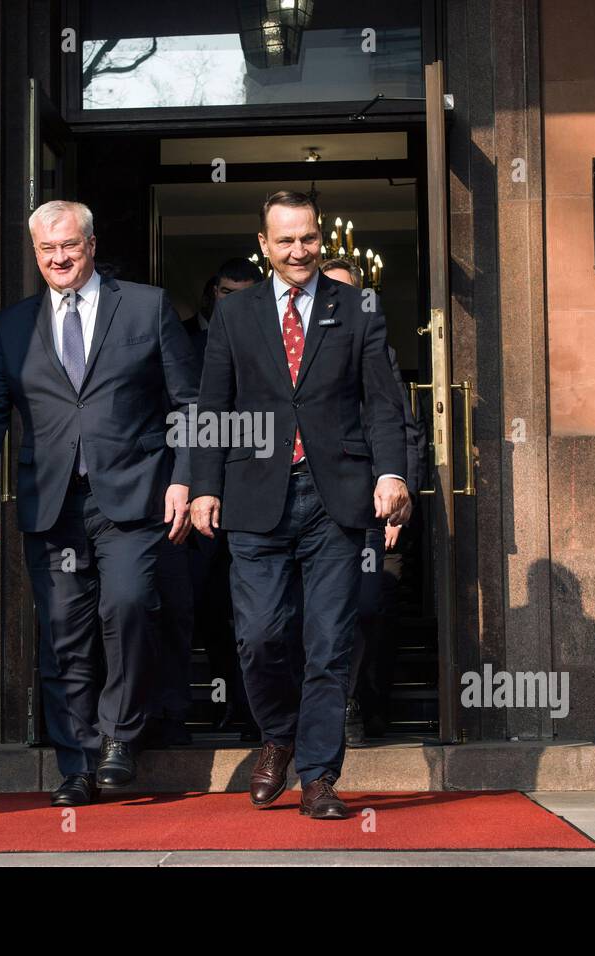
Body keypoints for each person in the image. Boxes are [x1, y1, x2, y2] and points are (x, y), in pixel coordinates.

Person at [0, 199, 198, 807]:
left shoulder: (145, 306)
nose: (59, 258)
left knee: (130, 605)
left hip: (135, 496)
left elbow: (188, 404)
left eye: (69, 246)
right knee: (64, 632)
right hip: (52, 503)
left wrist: (184, 478)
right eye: (47, 250)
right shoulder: (11, 326)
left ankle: (120, 735)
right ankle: (77, 764)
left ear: (91, 244)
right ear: (35, 252)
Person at [190, 190, 411, 819]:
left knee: (329, 641)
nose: (298, 250)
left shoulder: (358, 307)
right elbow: (213, 406)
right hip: (255, 496)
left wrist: (392, 472)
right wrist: (205, 484)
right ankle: (279, 734)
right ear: (264, 245)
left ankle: (318, 776)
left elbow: (382, 402)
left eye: (308, 238)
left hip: (335, 496)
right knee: (260, 637)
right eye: (284, 240)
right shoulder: (237, 314)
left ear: (322, 239)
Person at [320, 257, 427, 745]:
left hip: (372, 509)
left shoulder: (376, 351)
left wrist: (398, 498)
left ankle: (357, 704)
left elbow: (406, 430)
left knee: (367, 606)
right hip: (315, 505)